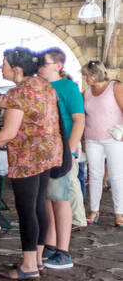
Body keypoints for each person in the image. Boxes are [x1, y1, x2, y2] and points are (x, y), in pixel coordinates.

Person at [0, 47, 62, 280]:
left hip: (27, 156)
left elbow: (7, 134)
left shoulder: (19, 92)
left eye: (4, 64)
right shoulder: (44, 85)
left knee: (26, 209)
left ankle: (29, 265)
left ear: (17, 69)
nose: (1, 68)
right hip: (47, 154)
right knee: (38, 205)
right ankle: (37, 260)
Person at [37, 49, 85, 269]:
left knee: (60, 198)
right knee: (48, 198)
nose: (41, 67)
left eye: (45, 63)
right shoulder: (40, 86)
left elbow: (79, 119)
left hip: (61, 151)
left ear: (58, 65)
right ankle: (51, 243)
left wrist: (71, 149)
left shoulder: (68, 87)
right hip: (44, 151)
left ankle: (64, 252)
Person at [82, 60, 123, 225]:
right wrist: (83, 138)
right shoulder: (86, 92)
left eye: (86, 75)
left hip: (114, 138)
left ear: (96, 73)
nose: (85, 78)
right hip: (92, 138)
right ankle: (94, 210)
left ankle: (119, 213)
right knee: (95, 175)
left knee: (117, 176)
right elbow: (83, 116)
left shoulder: (115, 87)